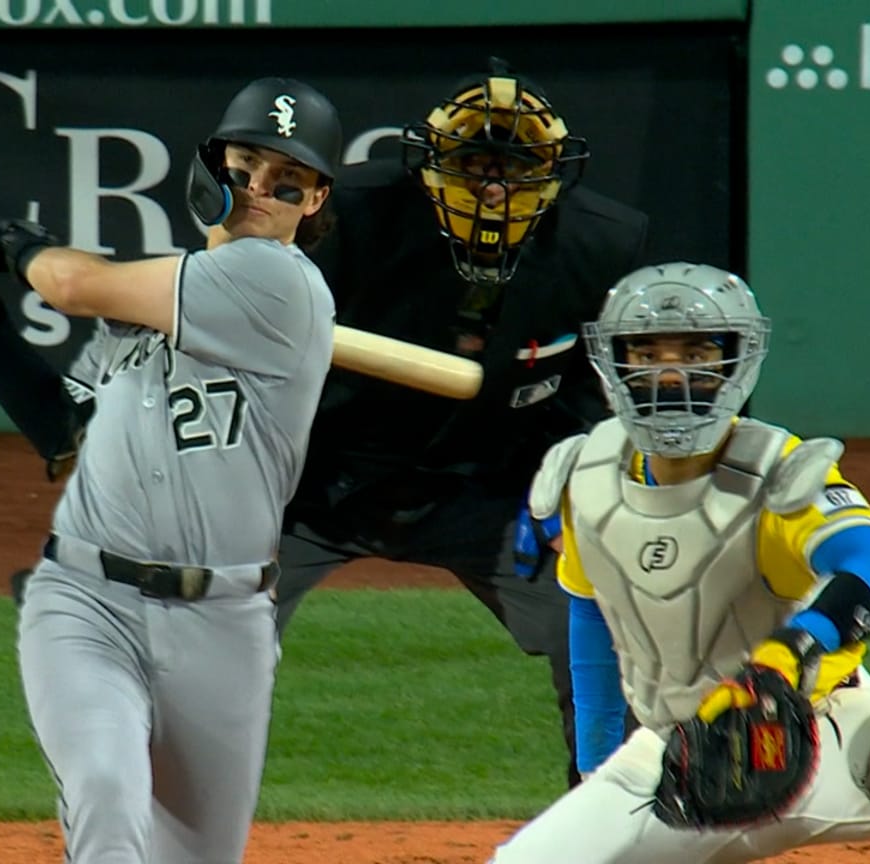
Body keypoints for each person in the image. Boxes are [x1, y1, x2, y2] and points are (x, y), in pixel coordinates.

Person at [489, 262, 870, 863]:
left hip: (823, 726)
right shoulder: (586, 477)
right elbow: (593, 620)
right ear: (614, 364)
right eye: (647, 355)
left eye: (698, 353)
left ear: (736, 361)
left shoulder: (779, 473)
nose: (671, 376)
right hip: (678, 762)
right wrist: (596, 773)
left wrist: (793, 649)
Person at [0, 77, 341, 863]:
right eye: (247, 165)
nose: (260, 188)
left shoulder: (279, 283)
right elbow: (64, 431)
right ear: (214, 165)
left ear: (315, 200)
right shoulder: (149, 306)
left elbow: (72, 284)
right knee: (107, 796)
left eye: (287, 179)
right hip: (86, 600)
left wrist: (18, 247)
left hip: (224, 627)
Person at [273, 58, 650, 789]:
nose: (495, 188)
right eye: (476, 164)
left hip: (486, 488)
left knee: (598, 615)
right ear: (430, 164)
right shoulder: (347, 216)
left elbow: (595, 395)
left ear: (554, 174)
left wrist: (569, 489)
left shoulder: (599, 244)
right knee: (206, 626)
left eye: (517, 167)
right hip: (316, 482)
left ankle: (608, 813)